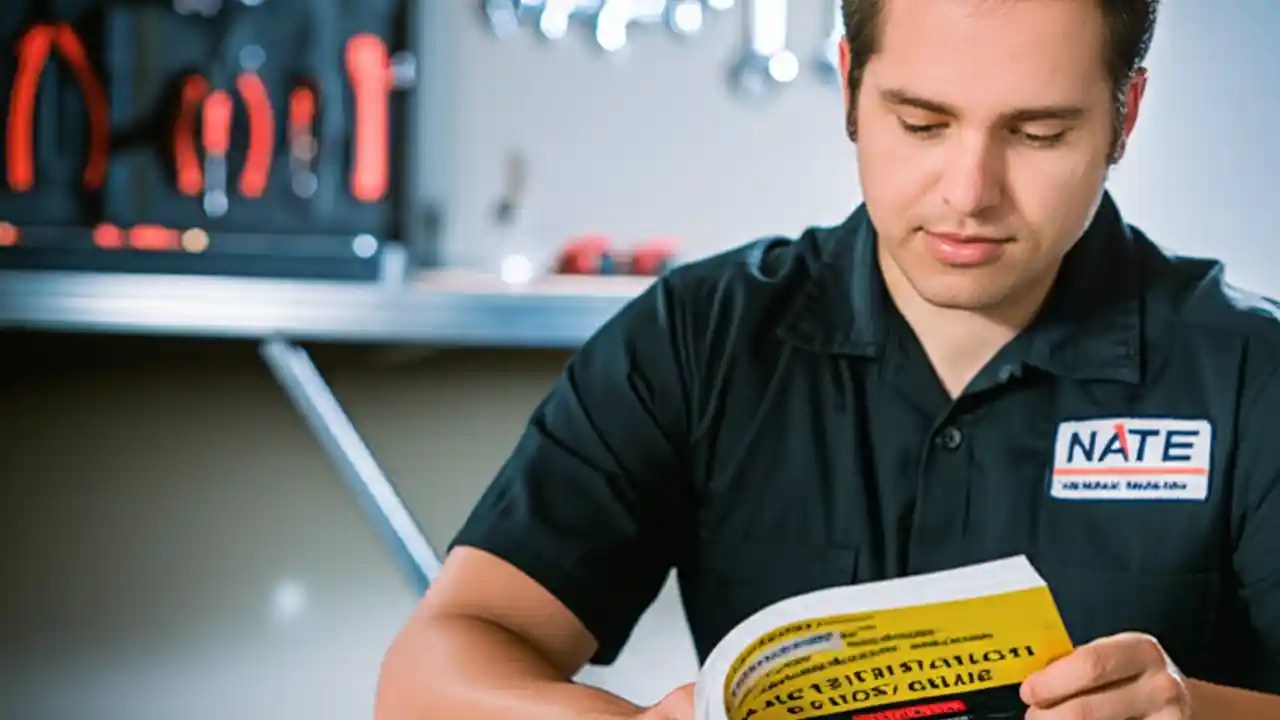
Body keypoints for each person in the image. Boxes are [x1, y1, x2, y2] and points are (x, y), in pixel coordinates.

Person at [375, 0, 1280, 717]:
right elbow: (430, 675)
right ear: (849, 89)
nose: (969, 192)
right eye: (922, 124)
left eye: (1038, 134)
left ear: (1126, 114)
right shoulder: (699, 340)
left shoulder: (1252, 374)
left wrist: (1197, 715)